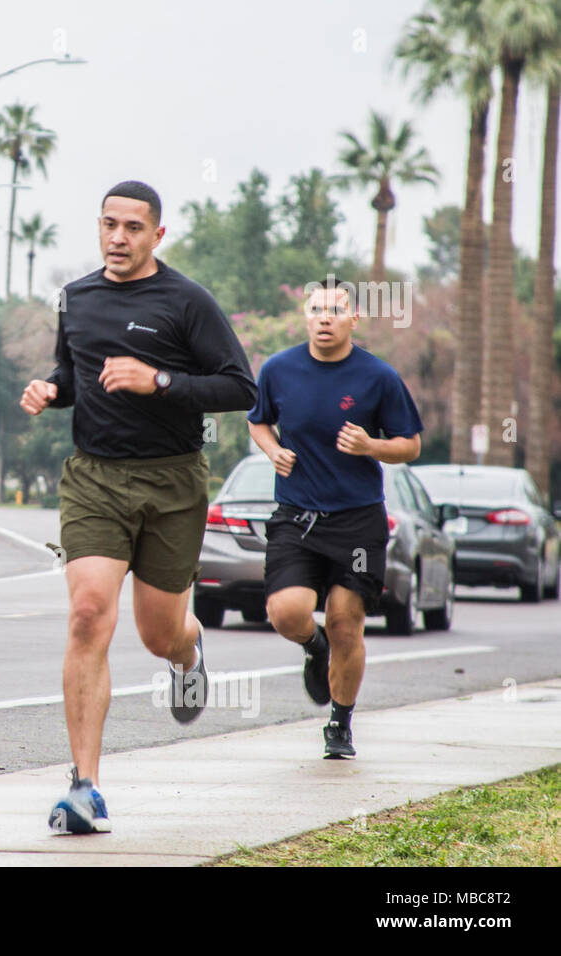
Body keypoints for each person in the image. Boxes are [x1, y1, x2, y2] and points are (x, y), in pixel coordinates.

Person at [20, 180, 256, 834]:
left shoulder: (187, 302)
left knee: (158, 632)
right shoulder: (78, 297)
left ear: (157, 234)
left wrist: (160, 381)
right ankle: (84, 787)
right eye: (108, 225)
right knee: (88, 612)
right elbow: (74, 373)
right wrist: (51, 388)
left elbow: (240, 387)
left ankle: (188, 650)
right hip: (94, 477)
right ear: (98, 228)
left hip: (173, 482)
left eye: (132, 227)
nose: (118, 238)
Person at [247, 278, 423, 759]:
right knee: (286, 613)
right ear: (305, 315)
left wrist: (372, 446)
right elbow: (257, 419)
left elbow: (410, 443)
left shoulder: (378, 377)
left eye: (336, 309)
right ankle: (312, 643)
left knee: (347, 622)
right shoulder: (279, 369)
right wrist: (272, 449)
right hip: (296, 517)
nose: (325, 317)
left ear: (353, 319)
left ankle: (340, 723)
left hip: (357, 521)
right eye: (317, 308)